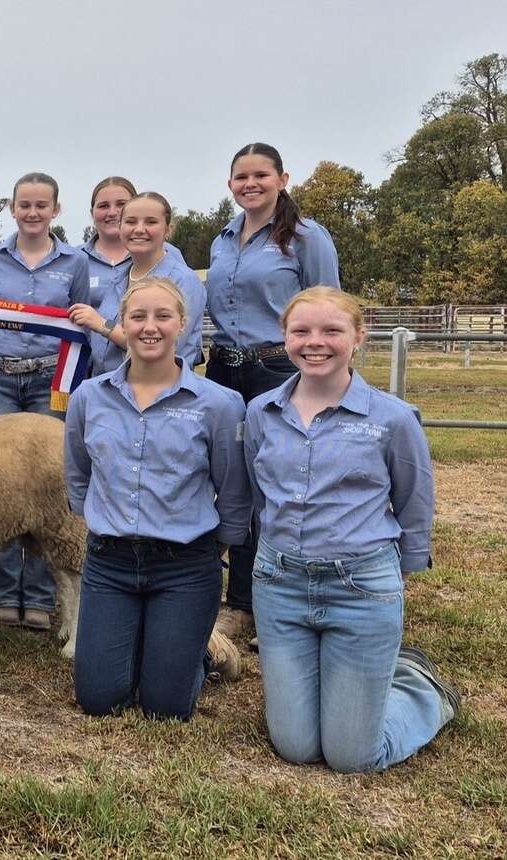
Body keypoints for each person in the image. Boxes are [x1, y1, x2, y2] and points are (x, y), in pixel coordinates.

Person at [246, 287, 456, 771]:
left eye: (332, 330)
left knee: (352, 757)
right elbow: (261, 494)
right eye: (301, 330)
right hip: (279, 584)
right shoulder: (261, 413)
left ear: (359, 337)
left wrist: (399, 573)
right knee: (296, 748)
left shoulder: (393, 418)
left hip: (361, 587)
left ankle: (421, 689)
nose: (314, 342)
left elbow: (414, 499)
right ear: (284, 337)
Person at [64, 277, 248, 720]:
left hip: (185, 566)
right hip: (110, 563)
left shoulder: (220, 405)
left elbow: (234, 490)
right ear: (123, 324)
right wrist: (103, 522)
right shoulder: (89, 398)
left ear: (182, 324)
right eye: (138, 316)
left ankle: (205, 651)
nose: (150, 327)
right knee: (100, 700)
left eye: (163, 316)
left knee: (165, 708)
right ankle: (153, 643)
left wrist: (214, 548)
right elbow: (78, 474)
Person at [206, 143, 341, 642]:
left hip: (279, 368)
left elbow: (329, 308)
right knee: (234, 483)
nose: (250, 184)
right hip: (224, 370)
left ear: (283, 179)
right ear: (230, 184)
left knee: (283, 483)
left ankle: (289, 599)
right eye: (241, 177)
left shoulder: (307, 237)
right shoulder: (222, 241)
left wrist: (328, 376)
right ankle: (240, 602)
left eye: (261, 175)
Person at [0, 173, 90, 631]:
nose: (33, 212)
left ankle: (38, 596)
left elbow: (80, 331)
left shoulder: (75, 263)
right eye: (25, 205)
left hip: (49, 380)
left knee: (45, 488)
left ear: (56, 210)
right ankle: (4, 592)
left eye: (42, 205)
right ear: (12, 209)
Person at [68, 192, 206, 374]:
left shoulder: (183, 280)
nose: (139, 229)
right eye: (131, 222)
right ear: (120, 227)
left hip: (157, 387)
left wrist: (102, 325)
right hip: (108, 385)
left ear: (168, 229)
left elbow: (165, 348)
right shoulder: (120, 278)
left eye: (151, 222)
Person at [76, 177, 136, 375]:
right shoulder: (74, 259)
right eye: (103, 206)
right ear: (92, 213)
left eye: (121, 204)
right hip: (86, 375)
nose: (112, 212)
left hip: (144, 372)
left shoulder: (163, 256)